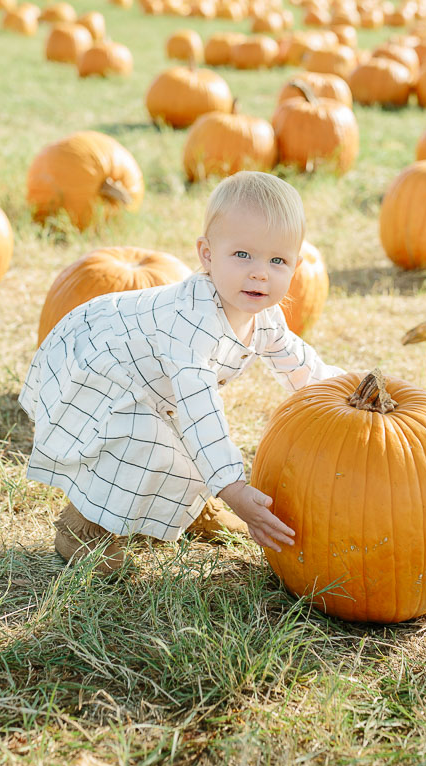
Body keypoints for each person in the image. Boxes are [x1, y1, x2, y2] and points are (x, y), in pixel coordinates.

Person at [19, 171, 345, 574]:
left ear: (295, 266)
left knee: (180, 441)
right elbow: (200, 410)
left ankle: (189, 508)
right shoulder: (194, 321)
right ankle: (83, 525)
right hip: (100, 364)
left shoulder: (266, 318)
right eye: (243, 255)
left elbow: (302, 367)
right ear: (207, 254)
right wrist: (234, 489)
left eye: (277, 260)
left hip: (145, 379)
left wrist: (350, 392)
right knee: (141, 443)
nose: (260, 272)